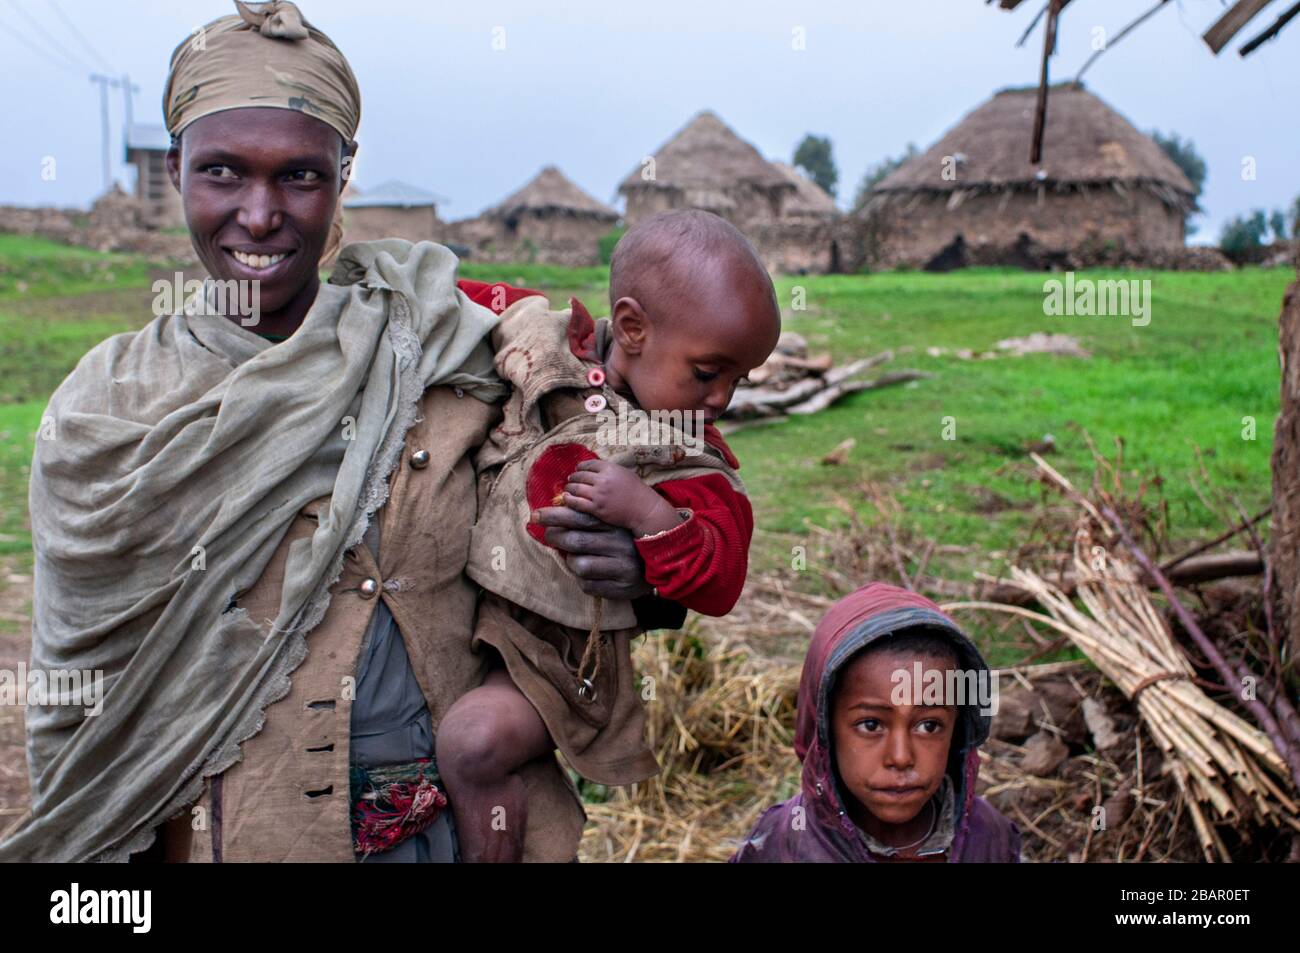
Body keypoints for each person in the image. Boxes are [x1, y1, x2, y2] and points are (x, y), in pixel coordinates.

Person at [0, 0, 680, 864]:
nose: (258, 214)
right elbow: (79, 699)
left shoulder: (440, 345)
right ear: (173, 170)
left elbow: (616, 478)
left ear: (343, 175)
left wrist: (646, 571)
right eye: (221, 173)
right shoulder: (109, 412)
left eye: (299, 176)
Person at [436, 210, 781, 862]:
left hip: (555, 657)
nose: (722, 400)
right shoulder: (550, 344)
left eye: (739, 380)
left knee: (470, 743)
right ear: (631, 328)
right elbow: (459, 293)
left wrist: (650, 516)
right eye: (708, 373)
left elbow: (722, 574)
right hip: (460, 615)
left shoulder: (685, 457)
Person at [730, 583, 1021, 862]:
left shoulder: (989, 839)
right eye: (871, 725)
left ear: (958, 729)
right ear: (824, 731)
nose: (901, 757)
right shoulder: (785, 845)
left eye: (929, 726)